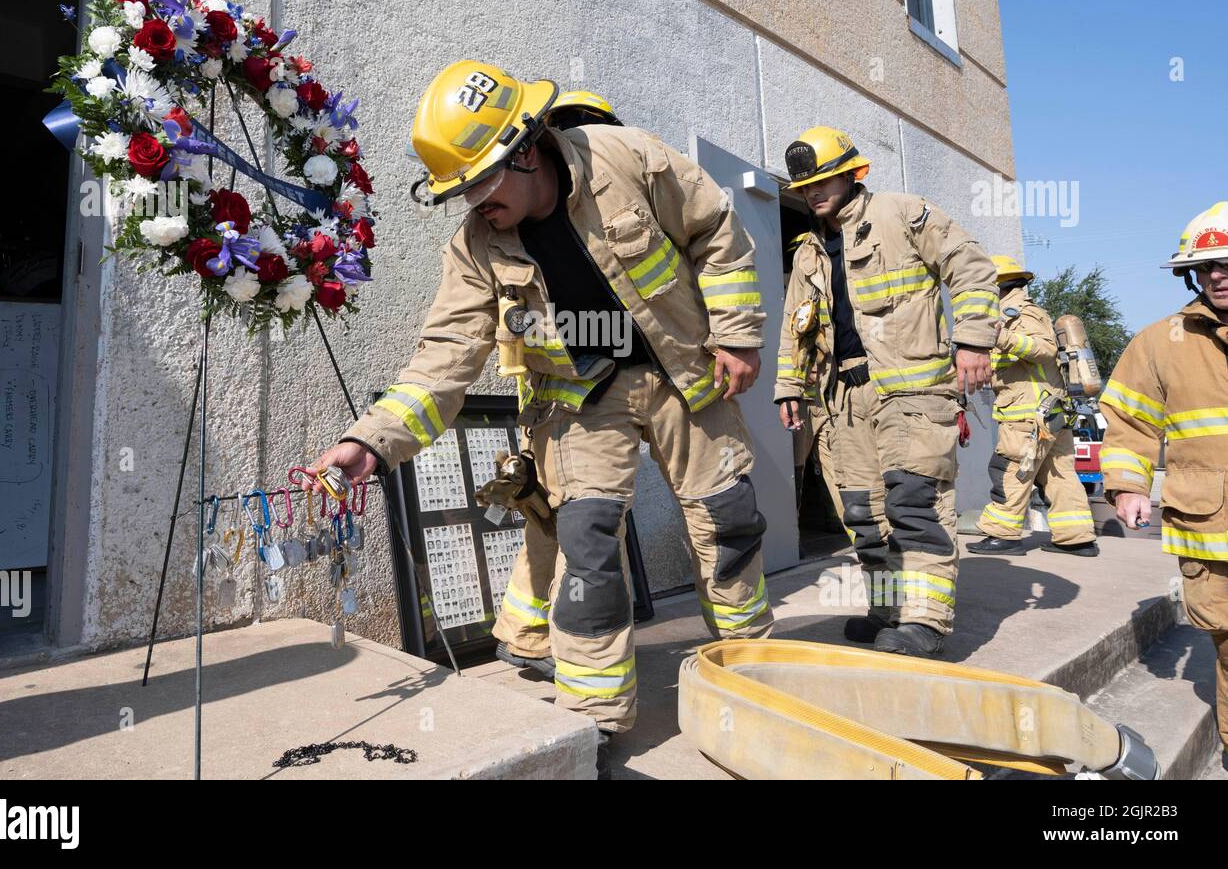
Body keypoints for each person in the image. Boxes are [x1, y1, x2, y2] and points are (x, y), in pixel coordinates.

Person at [310, 61, 774, 770]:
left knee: (728, 516)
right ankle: (597, 718)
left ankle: (745, 670)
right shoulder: (476, 244)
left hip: (682, 368)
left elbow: (715, 229)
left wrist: (738, 333)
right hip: (581, 399)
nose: (469, 202)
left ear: (525, 150)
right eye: (457, 190)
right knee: (587, 545)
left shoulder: (628, 159)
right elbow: (445, 356)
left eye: (477, 182)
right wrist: (370, 440)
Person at [773, 126, 997, 657]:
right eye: (806, 187)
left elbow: (969, 264)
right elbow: (794, 329)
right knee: (864, 514)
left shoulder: (901, 213)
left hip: (911, 390)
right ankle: (889, 608)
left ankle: (925, 620)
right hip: (843, 400)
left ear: (855, 174)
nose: (813, 193)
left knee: (915, 504)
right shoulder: (807, 254)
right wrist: (789, 386)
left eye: (824, 181)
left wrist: (972, 339)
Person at [491, 89, 622, 681]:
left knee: (554, 519)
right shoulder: (533, 227)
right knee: (569, 523)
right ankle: (538, 637)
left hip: (564, 397)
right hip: (561, 401)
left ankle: (524, 632)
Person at [1101, 202, 1228, 769]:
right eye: (1207, 267)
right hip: (1214, 527)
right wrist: (1129, 486)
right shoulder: (1159, 343)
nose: (1217, 275)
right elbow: (1128, 425)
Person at [967, 255, 1099, 556]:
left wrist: (1001, 336)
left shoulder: (1018, 313)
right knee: (1058, 473)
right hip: (1048, 411)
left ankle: (1003, 534)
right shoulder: (1017, 312)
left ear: (995, 284)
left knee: (1012, 469)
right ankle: (1076, 537)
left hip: (1029, 414)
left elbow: (1044, 349)